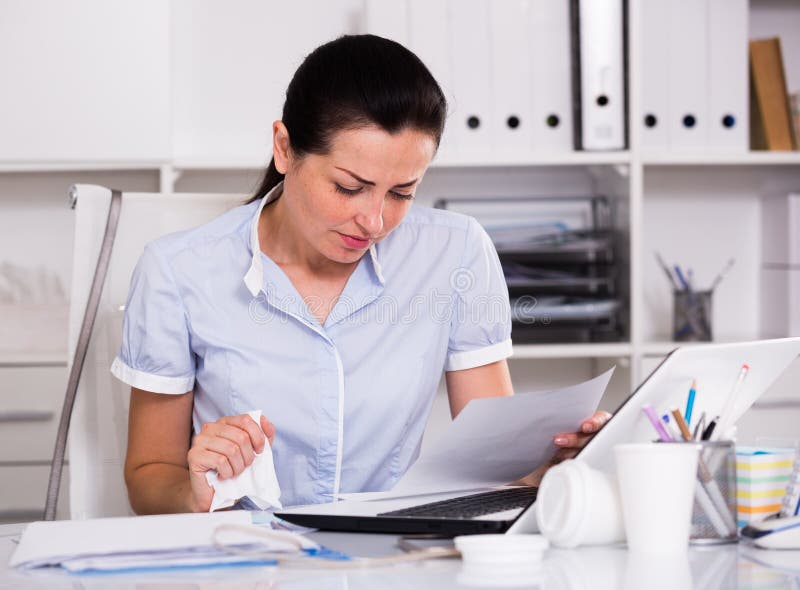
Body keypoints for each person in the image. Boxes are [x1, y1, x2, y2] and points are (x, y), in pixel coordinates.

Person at [114, 34, 610, 514]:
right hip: (247, 558)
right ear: (284, 149)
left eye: (401, 193)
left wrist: (547, 467)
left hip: (395, 556)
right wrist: (192, 492)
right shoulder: (177, 272)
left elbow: (496, 468)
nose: (374, 222)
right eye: (350, 188)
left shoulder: (455, 253)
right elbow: (149, 474)